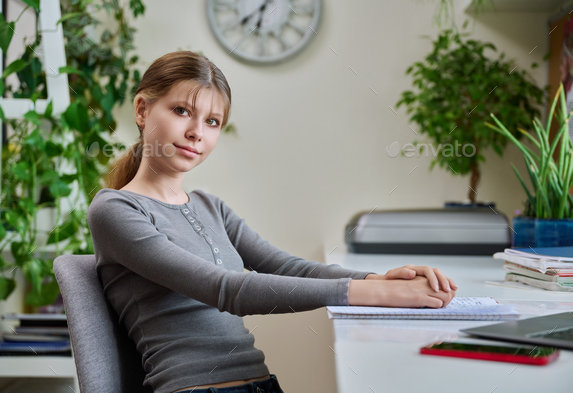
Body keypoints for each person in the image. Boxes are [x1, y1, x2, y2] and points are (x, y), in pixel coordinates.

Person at [87, 50, 458, 393]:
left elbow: (286, 267)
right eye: (182, 111)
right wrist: (375, 296)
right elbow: (227, 291)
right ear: (141, 110)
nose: (197, 132)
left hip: (262, 385)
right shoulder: (115, 210)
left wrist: (376, 279)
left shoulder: (210, 206)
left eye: (212, 121)